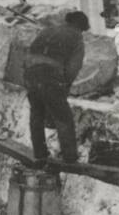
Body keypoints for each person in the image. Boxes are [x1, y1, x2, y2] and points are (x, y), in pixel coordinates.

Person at [23, 11, 89, 166]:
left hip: (30, 73)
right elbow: (73, 68)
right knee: (63, 117)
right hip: (50, 75)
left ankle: (39, 153)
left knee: (36, 114)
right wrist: (64, 86)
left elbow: (29, 53)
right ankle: (70, 157)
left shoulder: (47, 30)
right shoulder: (76, 37)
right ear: (80, 26)